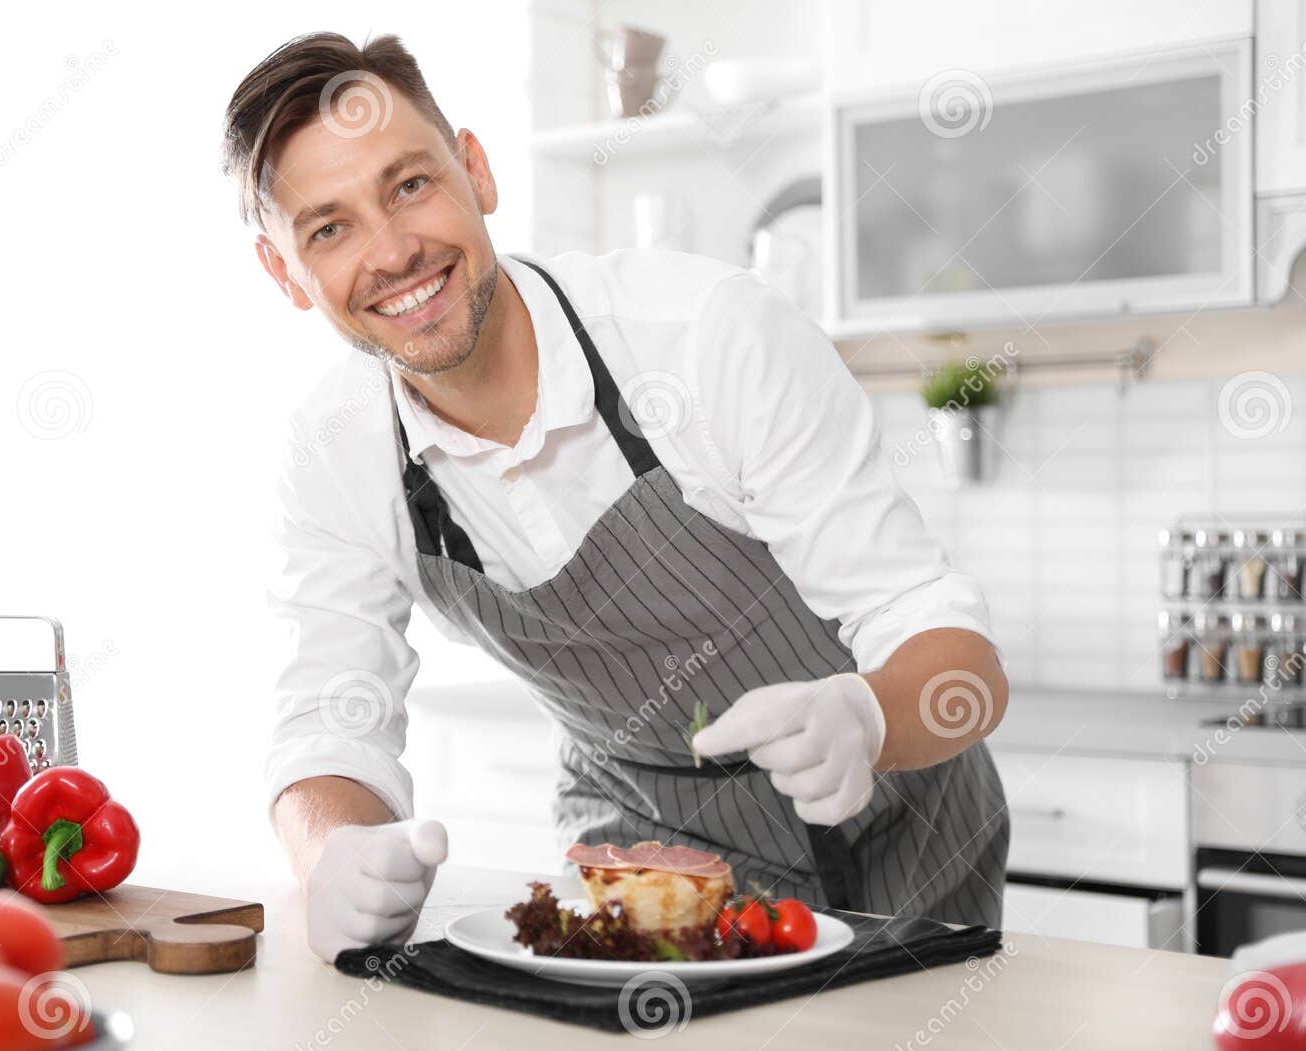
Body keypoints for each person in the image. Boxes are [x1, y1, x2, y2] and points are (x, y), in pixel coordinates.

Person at [223, 32, 1010, 962]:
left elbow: (945, 640)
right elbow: (327, 714)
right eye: (329, 228)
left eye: (409, 186)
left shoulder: (708, 336)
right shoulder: (336, 451)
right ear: (285, 275)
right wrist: (332, 854)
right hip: (644, 861)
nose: (393, 251)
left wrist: (869, 715)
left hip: (904, 833)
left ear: (475, 171)